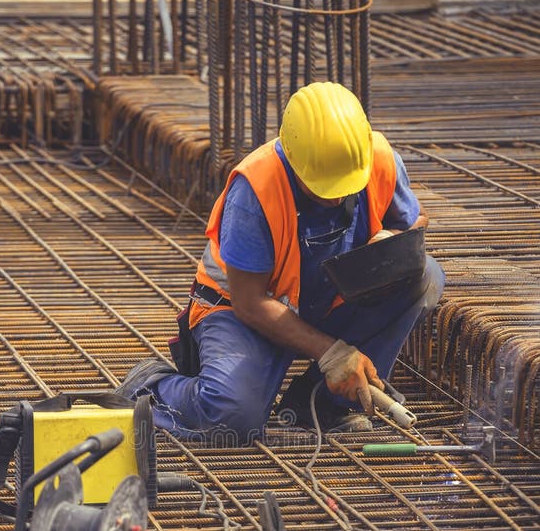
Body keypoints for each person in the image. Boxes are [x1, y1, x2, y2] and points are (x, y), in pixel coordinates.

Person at [118, 81, 445, 444]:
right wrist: (332, 352)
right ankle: (156, 389)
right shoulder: (256, 188)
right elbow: (249, 302)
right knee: (231, 417)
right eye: (324, 189)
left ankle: (322, 403)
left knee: (424, 274)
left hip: (327, 299)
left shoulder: (373, 158)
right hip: (243, 313)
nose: (337, 199)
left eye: (345, 187)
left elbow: (415, 217)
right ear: (294, 160)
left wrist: (395, 238)